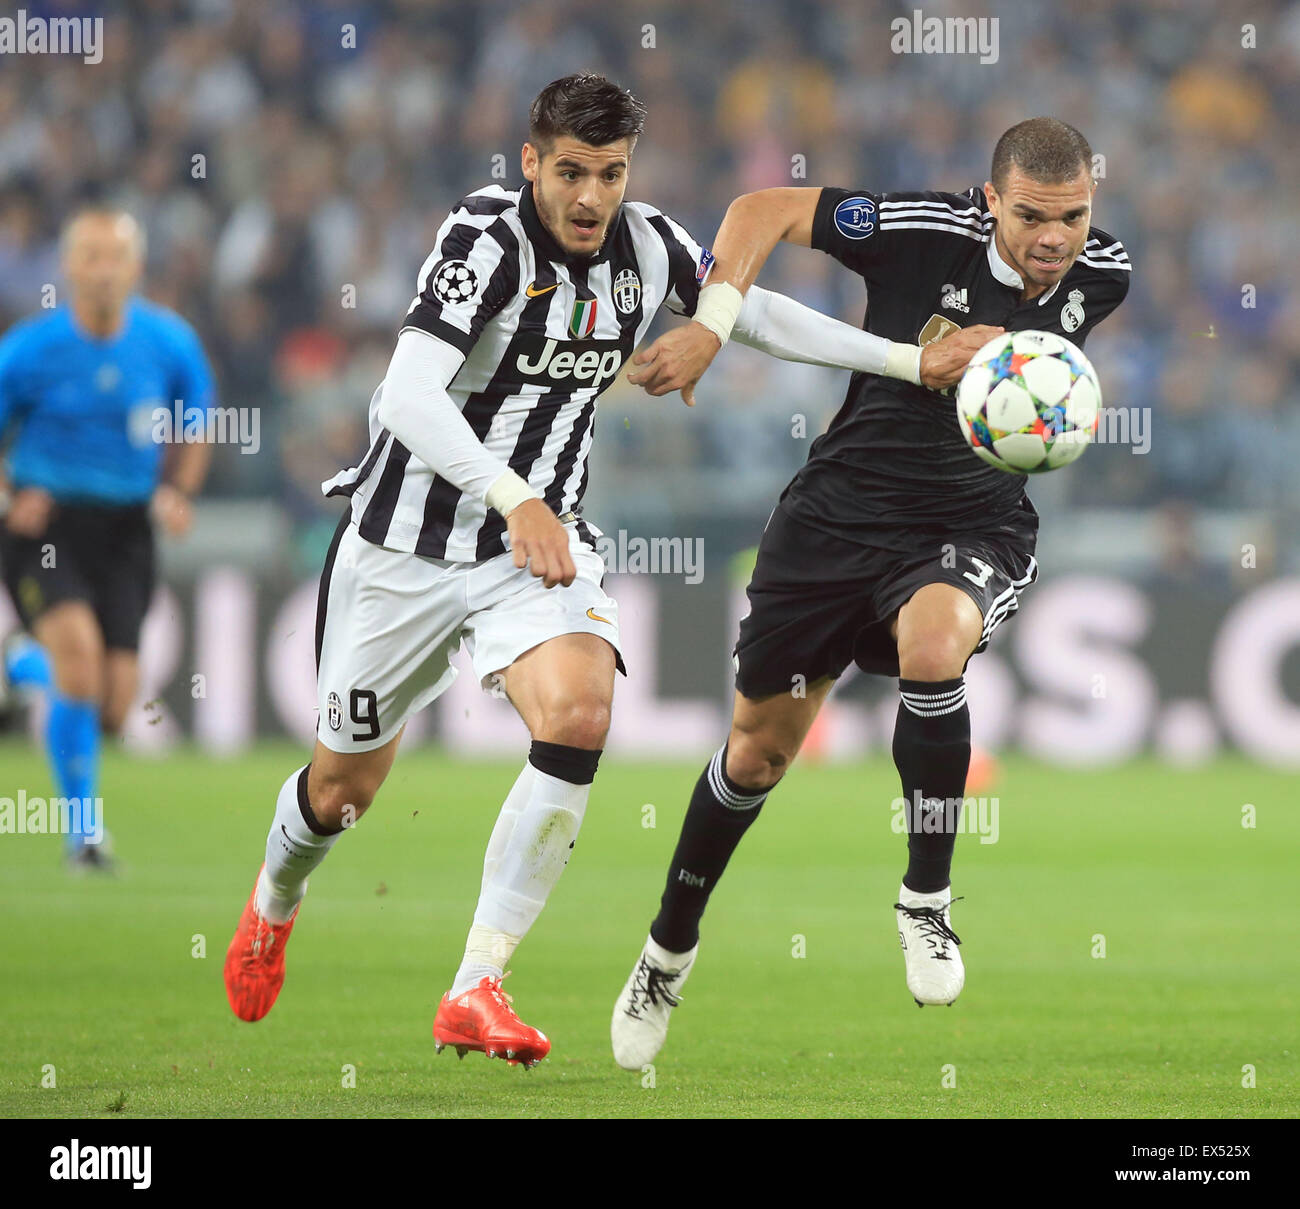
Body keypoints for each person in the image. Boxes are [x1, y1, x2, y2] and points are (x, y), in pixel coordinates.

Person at [221, 72, 998, 1068]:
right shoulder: (483, 241)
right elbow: (404, 395)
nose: (592, 198)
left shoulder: (644, 243)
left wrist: (902, 360)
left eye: (613, 174)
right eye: (575, 173)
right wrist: (517, 498)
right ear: (532, 162)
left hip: (529, 557)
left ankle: (476, 987)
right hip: (405, 549)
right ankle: (275, 901)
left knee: (581, 714)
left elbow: (749, 311)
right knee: (342, 793)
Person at [612, 116, 1131, 1069]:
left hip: (970, 527)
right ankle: (666, 950)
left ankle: (926, 904)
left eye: (1074, 215)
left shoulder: (1107, 271)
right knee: (758, 755)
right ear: (990, 202)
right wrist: (712, 326)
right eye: (1032, 217)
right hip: (835, 522)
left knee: (935, 649)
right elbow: (760, 208)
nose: (1057, 238)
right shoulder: (924, 229)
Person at [0, 207, 214, 869]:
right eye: (88, 256)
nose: (101, 270)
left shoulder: (168, 341)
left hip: (127, 529)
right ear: (67, 267)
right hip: (47, 525)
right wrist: (10, 494)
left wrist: (178, 491)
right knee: (81, 666)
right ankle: (83, 834)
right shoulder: (28, 350)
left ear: (135, 266)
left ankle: (15, 668)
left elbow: (198, 419)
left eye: (113, 256)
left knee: (116, 707)